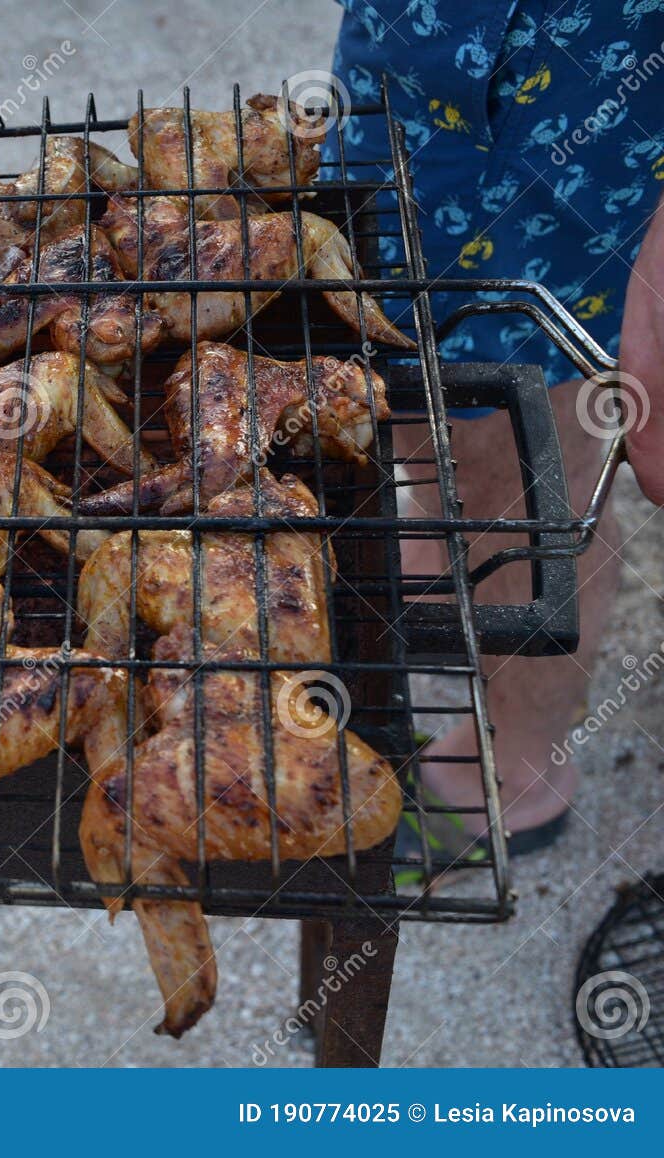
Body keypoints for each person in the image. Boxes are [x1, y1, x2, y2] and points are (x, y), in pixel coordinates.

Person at [329, 1, 664, 867]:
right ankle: (449, 555)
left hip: (580, 101)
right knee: (392, 360)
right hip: (409, 58)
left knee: (524, 474)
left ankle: (522, 767)